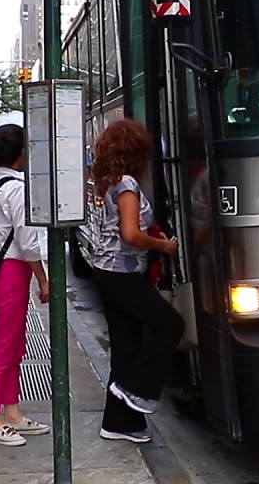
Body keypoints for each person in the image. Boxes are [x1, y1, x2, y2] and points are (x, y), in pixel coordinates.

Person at [90, 119, 183, 443]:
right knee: (169, 324)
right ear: (136, 151)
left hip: (107, 272)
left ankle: (119, 423)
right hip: (121, 273)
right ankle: (137, 390)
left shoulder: (109, 181)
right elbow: (131, 235)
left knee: (126, 347)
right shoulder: (127, 185)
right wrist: (164, 246)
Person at [0, 124, 51, 447]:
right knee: (5, 347)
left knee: (14, 344)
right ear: (23, 153)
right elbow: (28, 241)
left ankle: (13, 413)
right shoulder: (17, 188)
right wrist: (43, 279)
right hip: (11, 271)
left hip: (0, 271)